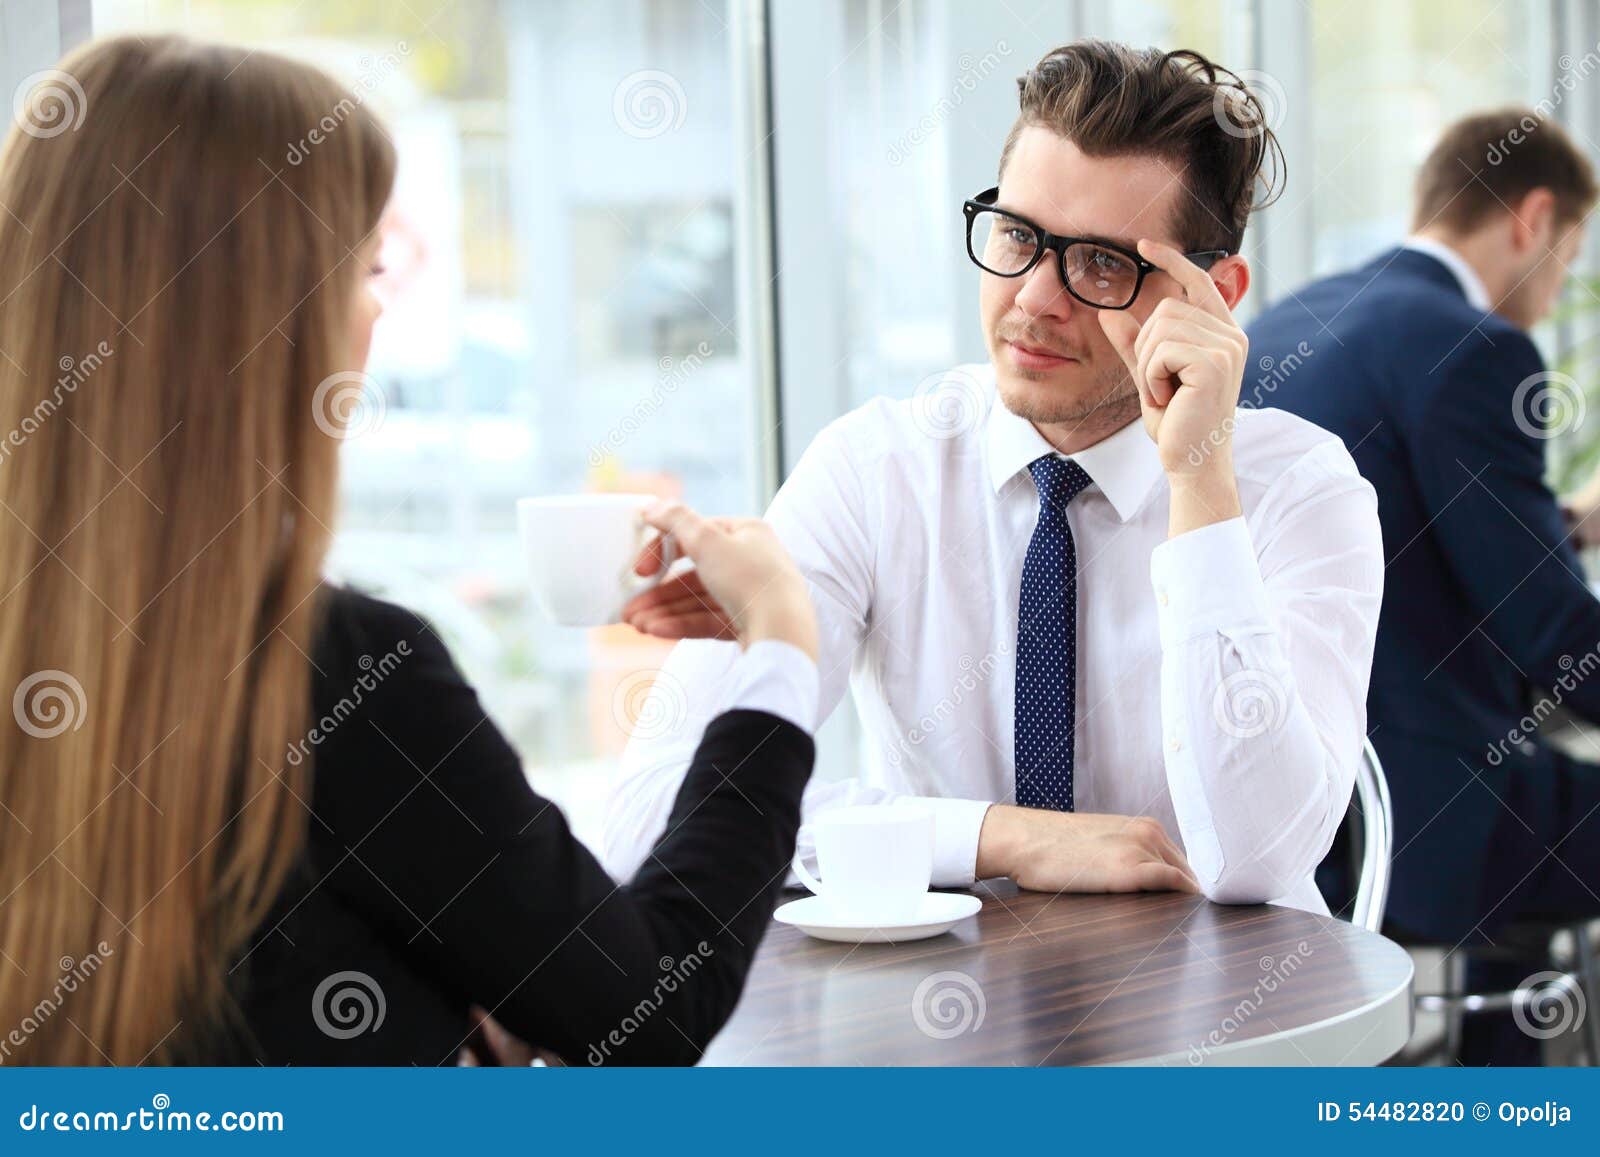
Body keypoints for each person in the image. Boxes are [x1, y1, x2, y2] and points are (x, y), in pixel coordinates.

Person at [0, 35, 821, 1066]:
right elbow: (650, 1010)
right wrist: (780, 647)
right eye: (363, 267)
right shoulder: (337, 672)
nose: (376, 308)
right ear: (261, 325)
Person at [606, 40, 1384, 914]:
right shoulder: (878, 470)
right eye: (1018, 235)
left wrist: (1201, 481)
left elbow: (1256, 862)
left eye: (1101, 262)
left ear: (1216, 296)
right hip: (942, 1022)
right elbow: (653, 815)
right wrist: (997, 835)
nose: (1036, 299)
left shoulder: (1302, 490)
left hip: (1228, 1025)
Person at [1246, 108, 1600, 1064]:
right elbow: (1559, 639)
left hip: (1299, 811)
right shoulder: (1476, 347)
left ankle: (1489, 1084)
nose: (1555, 291)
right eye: (1567, 260)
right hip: (1425, 810)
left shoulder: (1295, 317)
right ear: (1531, 219)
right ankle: (1513, 1095)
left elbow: (1391, 532)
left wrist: (1562, 522)